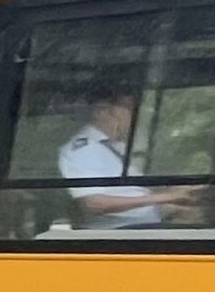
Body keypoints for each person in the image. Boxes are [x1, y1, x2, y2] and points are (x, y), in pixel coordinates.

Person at [58, 86, 198, 229]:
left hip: (141, 228)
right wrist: (168, 197)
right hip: (120, 235)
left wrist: (176, 207)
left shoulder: (113, 147)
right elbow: (94, 203)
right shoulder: (84, 150)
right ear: (103, 111)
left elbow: (132, 198)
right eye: (129, 108)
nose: (134, 115)